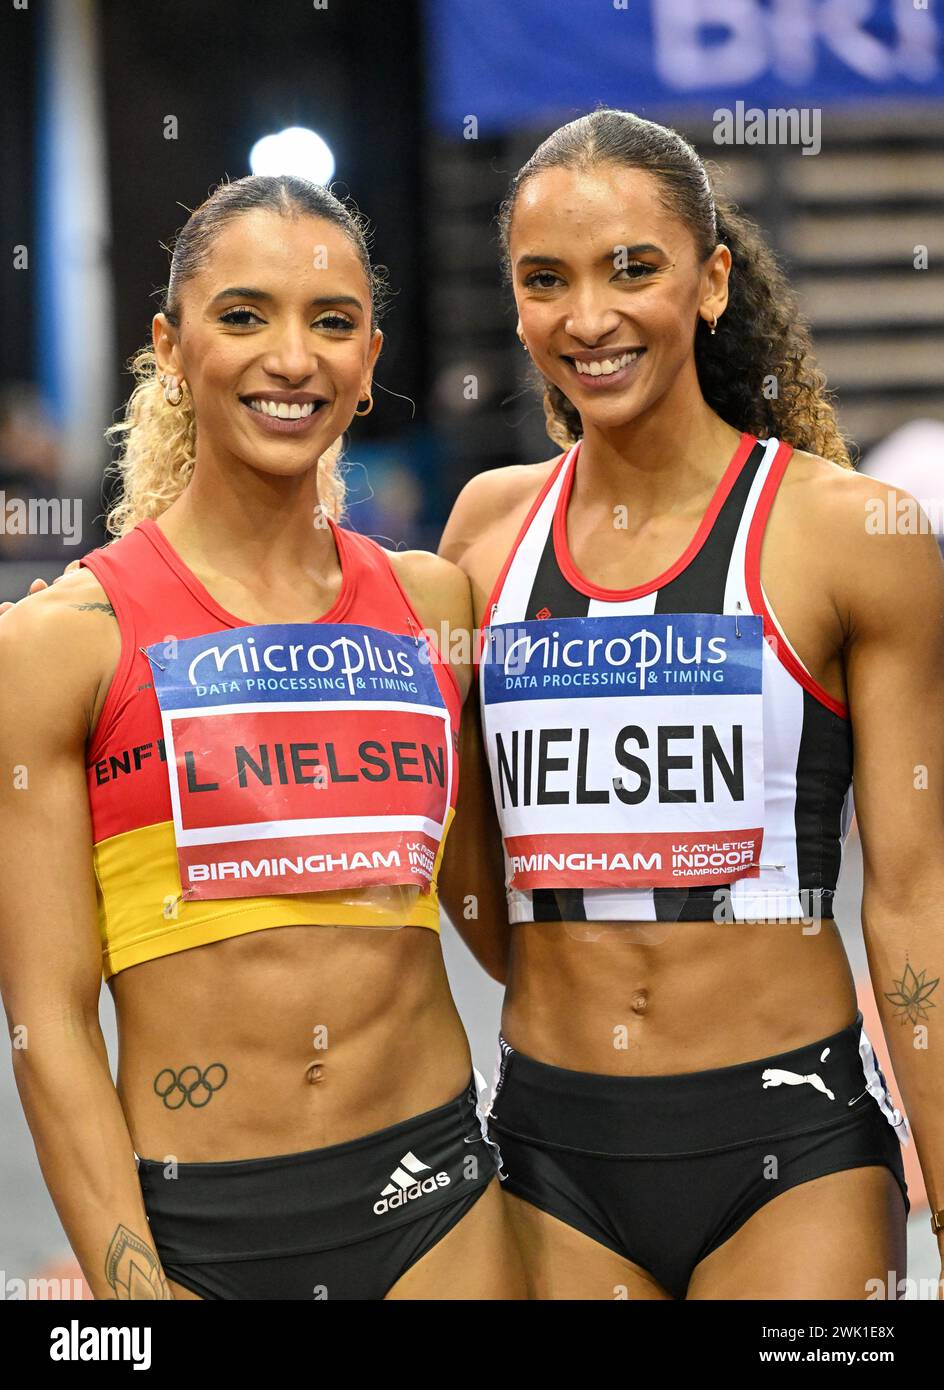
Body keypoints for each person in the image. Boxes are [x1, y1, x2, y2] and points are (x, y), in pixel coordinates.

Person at [438, 110, 944, 1300]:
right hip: (554, 1149)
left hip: (793, 1147)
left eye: (632, 269)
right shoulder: (482, 535)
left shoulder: (848, 536)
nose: (588, 317)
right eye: (544, 280)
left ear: (710, 280)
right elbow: (462, 861)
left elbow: (915, 904)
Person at [0, 174, 524, 1300]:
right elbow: (46, 1014)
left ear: (369, 356)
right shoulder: (62, 643)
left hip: (436, 1203)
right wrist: (129, 1287)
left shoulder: (436, 607)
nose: (292, 357)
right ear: (172, 346)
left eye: (330, 322)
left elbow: (494, 914)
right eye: (243, 316)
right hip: (201, 1231)